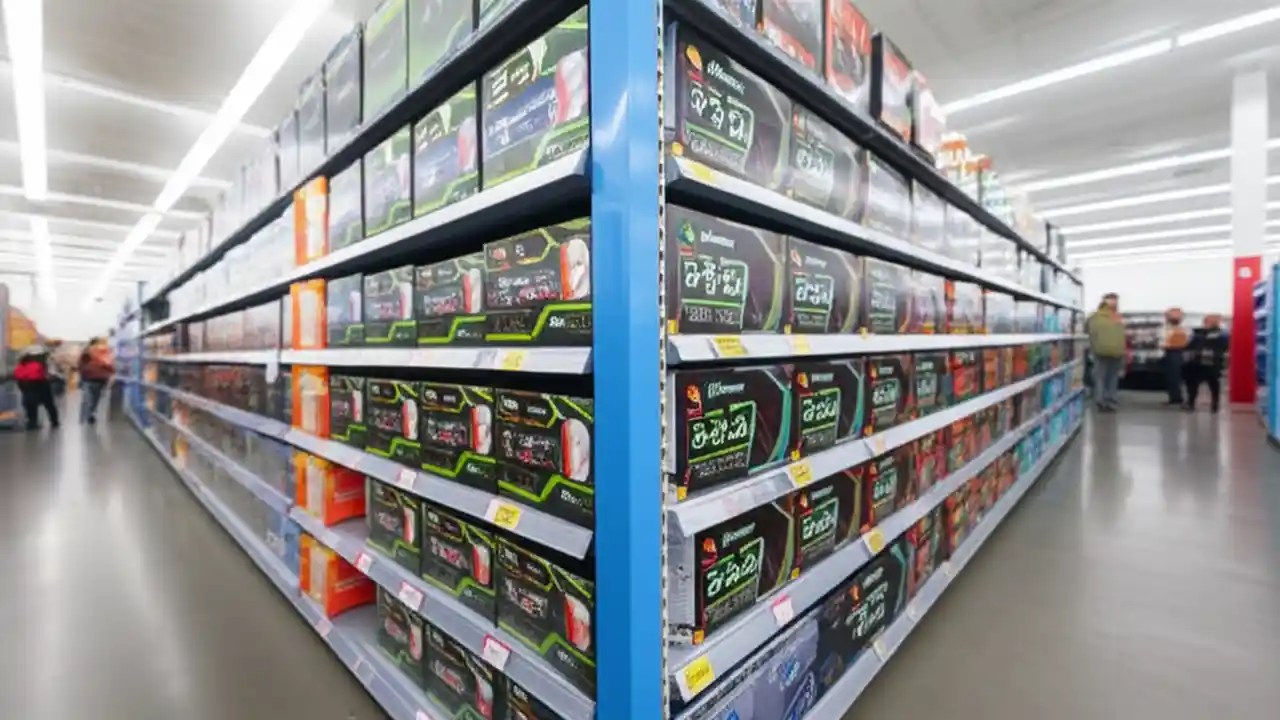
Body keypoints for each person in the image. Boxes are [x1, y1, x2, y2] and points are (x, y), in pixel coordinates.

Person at [1086, 293, 1126, 412]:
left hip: (1101, 351)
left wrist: (1093, 349)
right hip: (1116, 351)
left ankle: (1101, 400)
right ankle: (1110, 400)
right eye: (1114, 301)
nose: (1116, 303)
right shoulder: (1117, 317)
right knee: (1112, 377)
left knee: (1100, 377)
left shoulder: (1094, 317)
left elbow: (1091, 334)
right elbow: (1121, 335)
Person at [1183, 314, 1228, 413]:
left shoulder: (1213, 334)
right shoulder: (1220, 334)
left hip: (1205, 362)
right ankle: (1210, 405)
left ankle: (1195, 404)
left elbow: (1190, 346)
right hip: (1206, 362)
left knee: (1202, 384)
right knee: (1209, 385)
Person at [10, 346, 59, 429]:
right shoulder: (39, 364)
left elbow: (17, 376)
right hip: (40, 384)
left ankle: (32, 422)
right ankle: (54, 421)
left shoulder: (20, 365)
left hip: (25, 386)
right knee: (49, 404)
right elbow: (43, 375)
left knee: (30, 404)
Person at [77, 337, 115, 424]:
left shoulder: (105, 352)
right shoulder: (87, 352)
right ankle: (85, 417)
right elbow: (81, 364)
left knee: (94, 399)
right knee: (89, 399)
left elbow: (110, 365)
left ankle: (89, 415)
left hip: (98, 379)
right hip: (90, 379)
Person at [1162, 308, 1189, 406]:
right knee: (1170, 377)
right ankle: (1174, 397)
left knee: (1178, 376)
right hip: (1168, 352)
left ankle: (1179, 397)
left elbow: (1188, 340)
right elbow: (1161, 340)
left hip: (1179, 352)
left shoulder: (1185, 328)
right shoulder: (1165, 328)